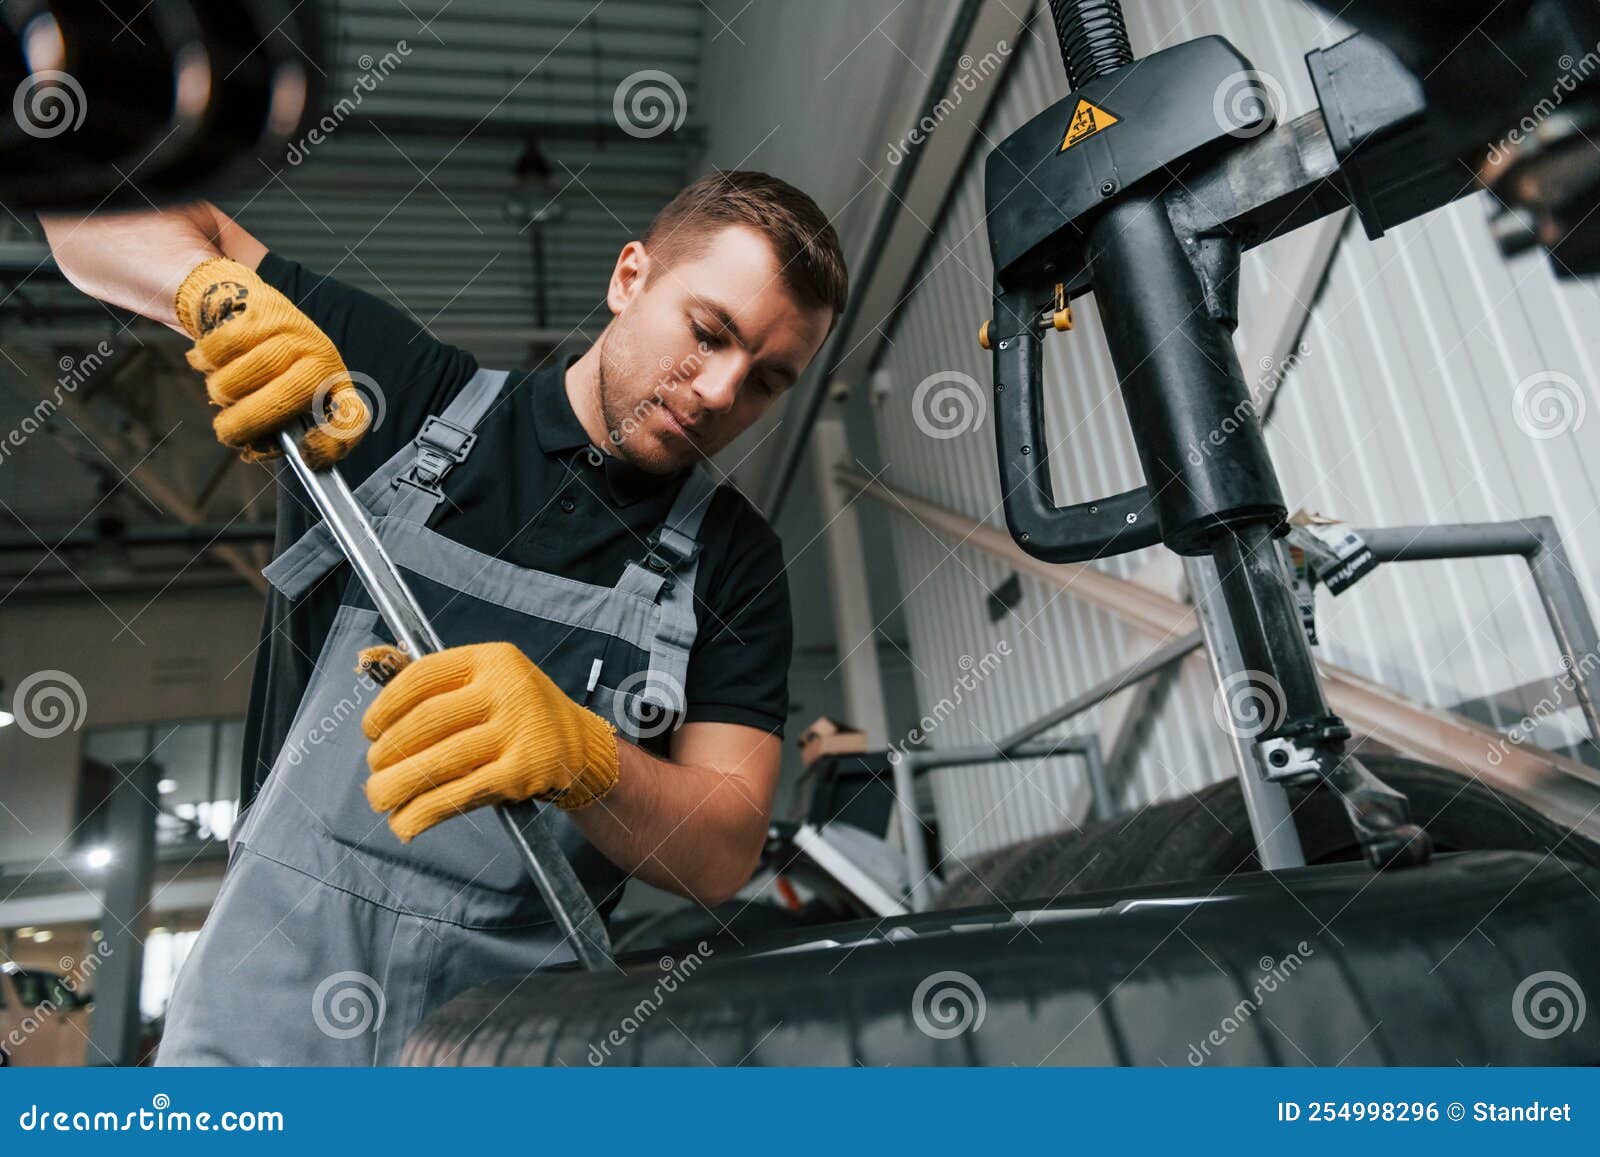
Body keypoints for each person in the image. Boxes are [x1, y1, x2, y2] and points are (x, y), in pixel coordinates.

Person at [40, 169, 848, 1064]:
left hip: (507, 1052)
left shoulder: (735, 562)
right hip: (257, 1026)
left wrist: (586, 756)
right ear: (630, 278)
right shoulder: (402, 397)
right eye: (709, 334)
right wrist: (212, 292)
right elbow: (87, 207)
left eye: (767, 379)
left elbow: (724, 850)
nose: (719, 393)